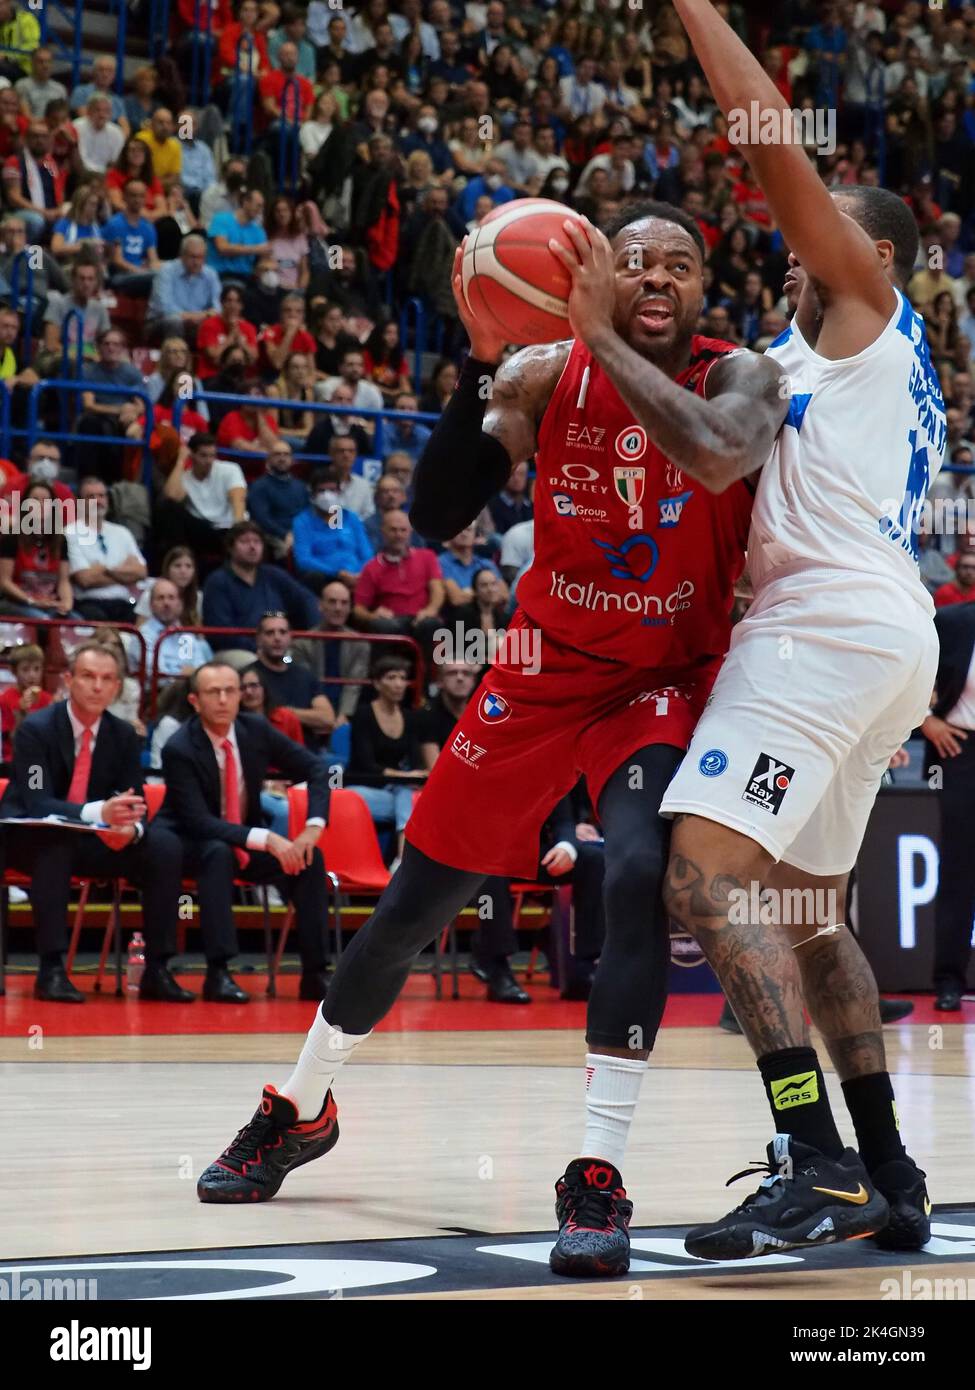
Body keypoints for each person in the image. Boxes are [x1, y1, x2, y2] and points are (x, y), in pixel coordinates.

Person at [194, 200, 780, 1267]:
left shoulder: (740, 377)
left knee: (637, 870)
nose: (655, 276)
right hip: (539, 671)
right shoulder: (546, 373)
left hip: (661, 681)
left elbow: (717, 457)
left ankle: (596, 1170)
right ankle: (302, 1104)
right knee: (410, 913)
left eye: (679, 265)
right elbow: (435, 509)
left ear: (704, 291)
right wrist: (484, 350)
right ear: (595, 272)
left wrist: (591, 332)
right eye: (632, 260)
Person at [657, 0, 944, 1263]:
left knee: (702, 876)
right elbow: (720, 456)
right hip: (880, 633)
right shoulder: (820, 367)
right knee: (818, 917)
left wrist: (695, 9)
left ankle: (810, 1155)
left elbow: (770, 140)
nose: (792, 274)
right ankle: (888, 1172)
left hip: (823, 631)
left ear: (874, 260)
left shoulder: (870, 310)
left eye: (815, 258)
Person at [0, 642, 188, 1004]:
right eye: (88, 677)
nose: (97, 686)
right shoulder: (35, 731)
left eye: (107, 679)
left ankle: (158, 969)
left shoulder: (122, 736)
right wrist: (100, 813)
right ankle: (51, 969)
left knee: (164, 846)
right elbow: (37, 802)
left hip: (94, 839)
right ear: (69, 680)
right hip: (30, 836)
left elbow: (135, 800)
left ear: (117, 687)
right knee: (54, 845)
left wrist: (129, 829)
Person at [159, 661, 332, 1004]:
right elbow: (198, 821)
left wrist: (312, 828)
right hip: (186, 842)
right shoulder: (179, 748)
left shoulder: (255, 729)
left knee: (310, 859)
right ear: (195, 700)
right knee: (217, 853)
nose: (223, 699)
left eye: (230, 691)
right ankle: (218, 972)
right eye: (213, 692)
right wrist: (266, 838)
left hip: (243, 837)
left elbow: (316, 768)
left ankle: (316, 974)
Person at [922, 602, 975, 1011]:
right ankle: (948, 980)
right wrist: (925, 719)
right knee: (958, 868)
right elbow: (911, 672)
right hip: (960, 749)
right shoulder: (953, 621)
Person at [346, 653, 427, 863]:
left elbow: (417, 761)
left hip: (394, 791)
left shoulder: (409, 717)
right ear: (377, 683)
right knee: (408, 796)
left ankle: (401, 859)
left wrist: (410, 776)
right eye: (391, 677)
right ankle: (404, 858)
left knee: (406, 793)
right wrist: (403, 776)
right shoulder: (363, 714)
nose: (399, 684)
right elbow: (365, 765)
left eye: (402, 678)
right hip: (362, 787)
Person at [201, 520, 318, 661]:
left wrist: (313, 634)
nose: (252, 547)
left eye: (257, 542)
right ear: (230, 548)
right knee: (255, 665)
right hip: (237, 652)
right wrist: (259, 647)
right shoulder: (218, 582)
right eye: (244, 541)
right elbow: (221, 632)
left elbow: (307, 600)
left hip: (280, 651)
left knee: (298, 662)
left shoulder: (274, 575)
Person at [353, 509, 444, 647]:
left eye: (403, 530)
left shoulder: (427, 556)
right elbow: (358, 610)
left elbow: (438, 590)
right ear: (383, 532)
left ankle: (424, 669)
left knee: (430, 624)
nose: (399, 535)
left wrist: (430, 610)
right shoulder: (371, 567)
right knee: (382, 627)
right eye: (393, 530)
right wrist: (373, 616)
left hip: (420, 619)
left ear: (410, 532)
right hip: (392, 621)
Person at [244, 612, 335, 749]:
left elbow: (327, 719)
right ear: (258, 639)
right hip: (266, 752)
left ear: (290, 638)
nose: (277, 638)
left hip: (308, 755)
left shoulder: (305, 675)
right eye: (270, 633)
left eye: (282, 632)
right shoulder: (248, 677)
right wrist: (308, 717)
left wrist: (284, 713)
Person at [65, 476, 147, 622]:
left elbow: (141, 572)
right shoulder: (70, 533)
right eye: (91, 497)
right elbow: (85, 579)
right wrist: (123, 574)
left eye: (102, 496)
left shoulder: (122, 532)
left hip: (124, 604)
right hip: (90, 604)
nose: (98, 501)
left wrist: (103, 570)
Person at [157, 431, 247, 563]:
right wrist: (181, 460)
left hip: (228, 528)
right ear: (192, 455)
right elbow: (172, 496)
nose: (209, 461)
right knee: (168, 509)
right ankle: (177, 562)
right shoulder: (184, 477)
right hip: (202, 528)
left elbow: (238, 499)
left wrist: (239, 532)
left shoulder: (230, 469)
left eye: (212, 456)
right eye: (203, 456)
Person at [292, 579, 369, 726]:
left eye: (344, 603)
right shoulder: (301, 643)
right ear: (320, 605)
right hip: (312, 710)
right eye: (332, 602)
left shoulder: (360, 644)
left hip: (347, 712)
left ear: (350, 608)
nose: (338, 608)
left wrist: (344, 716)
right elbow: (306, 682)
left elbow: (354, 684)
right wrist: (322, 715)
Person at [0, 479, 75, 619]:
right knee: (44, 621)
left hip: (49, 603)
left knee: (77, 622)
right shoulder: (12, 537)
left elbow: (64, 581)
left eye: (45, 500)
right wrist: (32, 601)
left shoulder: (60, 539)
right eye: (34, 499)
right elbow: (4, 582)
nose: (40, 504)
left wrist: (67, 603)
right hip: (16, 602)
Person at [293, 469, 373, 593]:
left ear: (339, 492)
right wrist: (337, 573)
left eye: (332, 490)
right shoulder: (303, 522)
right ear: (313, 494)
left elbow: (366, 553)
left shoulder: (350, 518)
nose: (327, 495)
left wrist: (359, 574)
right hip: (326, 577)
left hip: (357, 575)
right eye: (322, 491)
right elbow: (303, 560)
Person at [147, 234, 223, 344]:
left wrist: (199, 317)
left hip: (196, 323)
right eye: (193, 257)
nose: (197, 262)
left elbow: (217, 309)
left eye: (200, 257)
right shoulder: (166, 271)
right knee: (174, 321)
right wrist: (197, 316)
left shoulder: (211, 274)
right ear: (182, 255)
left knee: (213, 325)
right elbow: (164, 309)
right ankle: (173, 359)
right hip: (159, 322)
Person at [140, 576, 214, 681]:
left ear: (180, 604)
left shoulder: (186, 636)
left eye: (171, 598)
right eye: (160, 598)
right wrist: (183, 674)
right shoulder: (144, 635)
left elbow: (200, 669)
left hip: (187, 689)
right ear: (151, 605)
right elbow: (158, 676)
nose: (166, 603)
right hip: (158, 693)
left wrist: (191, 673)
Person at [246, 441, 307, 560]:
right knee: (291, 550)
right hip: (273, 535)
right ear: (268, 459)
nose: (282, 458)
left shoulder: (301, 486)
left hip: (300, 532)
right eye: (277, 454)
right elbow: (262, 518)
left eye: (286, 454)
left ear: (292, 459)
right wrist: (285, 534)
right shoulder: (259, 486)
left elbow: (308, 513)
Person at [0, 642, 52, 759]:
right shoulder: (4, 700)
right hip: (14, 762)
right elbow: (13, 740)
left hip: (42, 760)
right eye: (25, 670)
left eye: (36, 669)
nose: (32, 675)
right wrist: (21, 712)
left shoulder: (48, 700)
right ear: (13, 671)